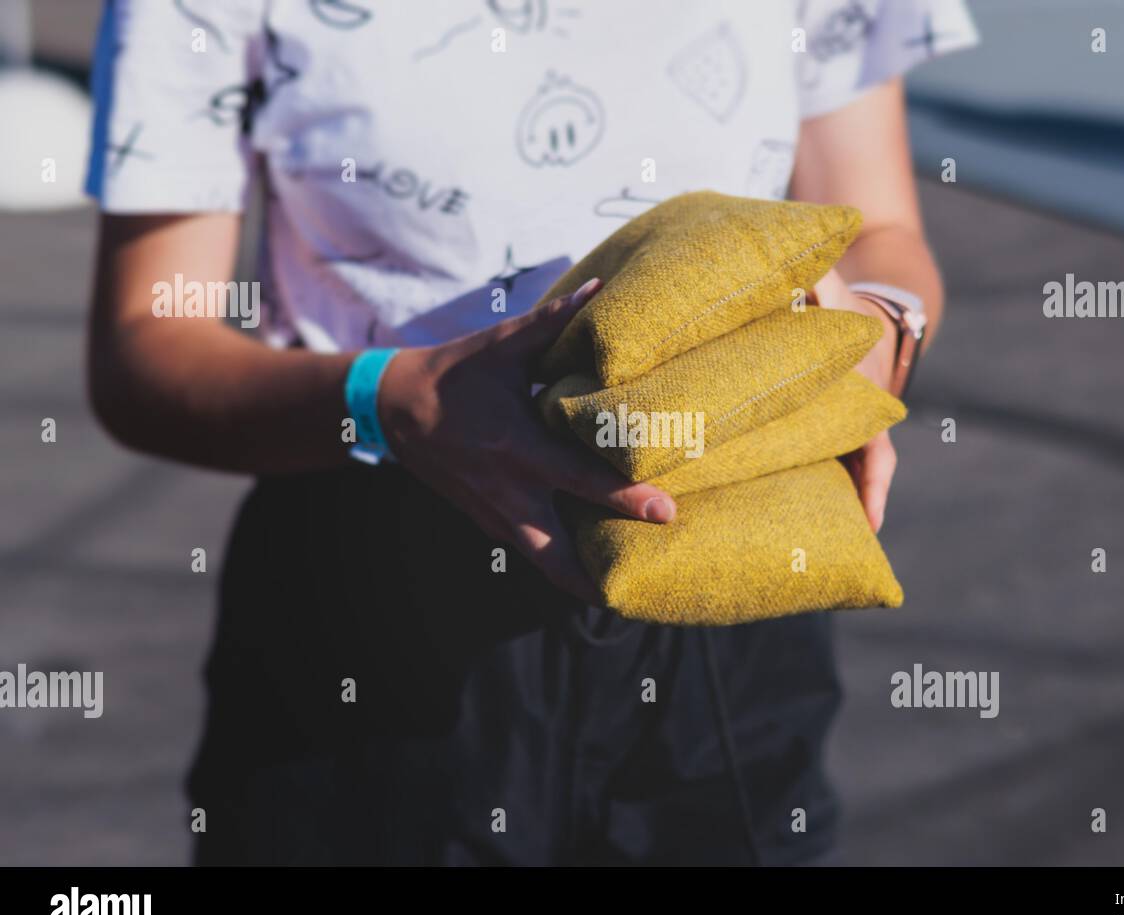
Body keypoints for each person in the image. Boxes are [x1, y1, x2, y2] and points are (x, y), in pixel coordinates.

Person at [84, 0, 977, 865]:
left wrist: (869, 341)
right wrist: (392, 400)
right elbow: (147, 346)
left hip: (728, 580)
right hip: (372, 610)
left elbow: (881, 230)